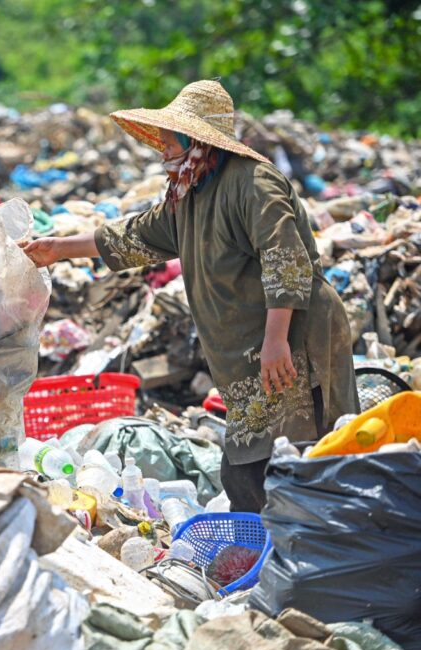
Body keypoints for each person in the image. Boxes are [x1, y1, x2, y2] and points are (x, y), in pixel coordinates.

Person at [22, 80, 358, 512]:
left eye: (169, 142)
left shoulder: (254, 183)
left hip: (293, 337)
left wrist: (277, 341)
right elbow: (137, 234)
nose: (162, 151)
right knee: (250, 469)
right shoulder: (191, 196)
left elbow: (285, 259)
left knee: (299, 456)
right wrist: (58, 250)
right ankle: (278, 553)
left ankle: (317, 551)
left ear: (195, 140)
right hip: (249, 350)